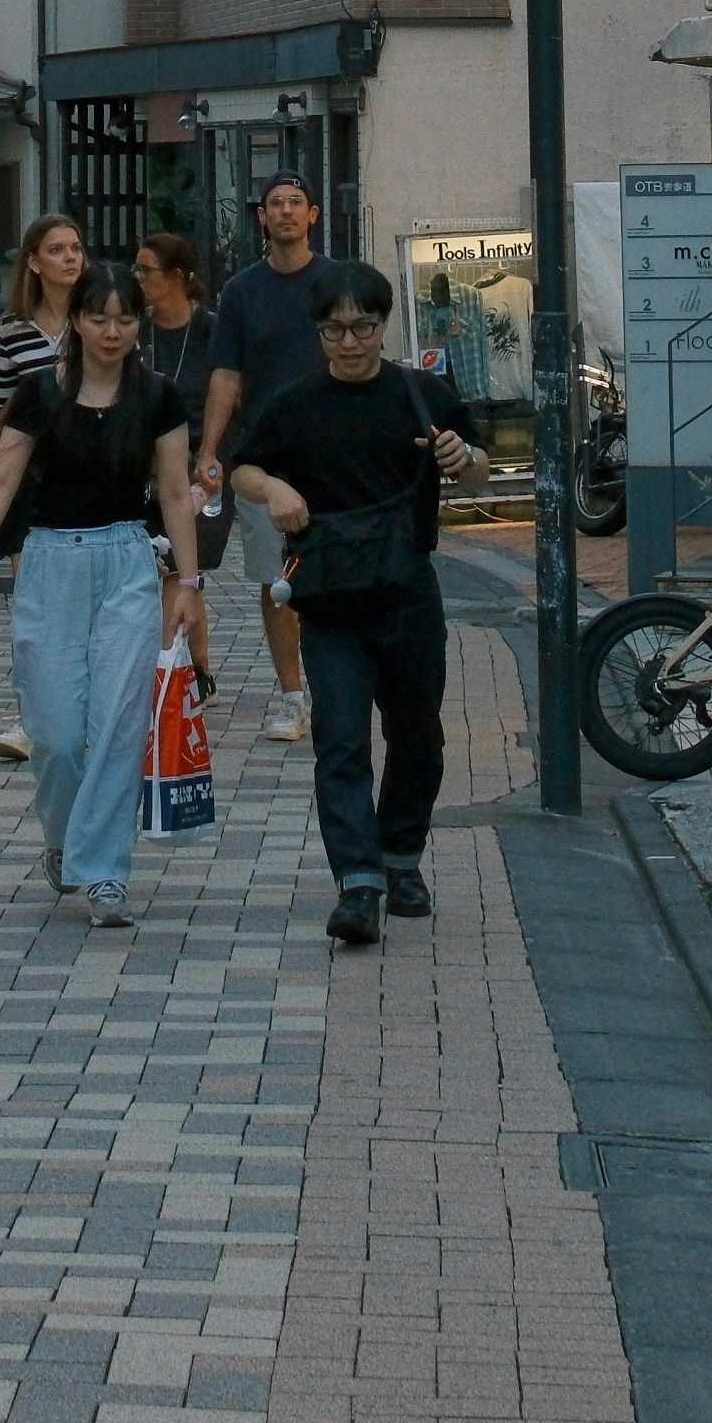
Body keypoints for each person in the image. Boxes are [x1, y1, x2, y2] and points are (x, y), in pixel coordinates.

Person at [224, 261, 476, 945]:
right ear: (318, 333)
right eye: (334, 329)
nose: (350, 341)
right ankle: (357, 883)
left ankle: (401, 858)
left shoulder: (424, 395)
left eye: (362, 326)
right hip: (330, 601)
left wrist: (462, 455)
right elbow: (243, 464)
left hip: (407, 593)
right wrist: (272, 490)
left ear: (382, 324)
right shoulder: (295, 404)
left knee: (418, 737)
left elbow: (474, 460)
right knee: (339, 743)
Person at [0, 254, 199, 931]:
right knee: (57, 735)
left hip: (126, 561)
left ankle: (106, 874)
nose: (112, 331)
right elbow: (2, 479)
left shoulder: (158, 398)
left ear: (137, 325)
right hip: (51, 562)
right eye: (99, 318)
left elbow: (175, 493)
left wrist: (189, 582)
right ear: (78, 323)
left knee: (117, 726)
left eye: (124, 319)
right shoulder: (41, 392)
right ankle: (65, 841)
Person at [199, 171, 342, 751]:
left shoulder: (336, 281)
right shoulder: (241, 292)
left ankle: (340, 689)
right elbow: (227, 374)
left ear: (312, 215)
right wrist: (209, 449)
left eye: (295, 203)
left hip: (334, 451)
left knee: (335, 574)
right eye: (274, 204)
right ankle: (291, 695)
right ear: (262, 216)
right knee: (276, 578)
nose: (284, 212)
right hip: (264, 457)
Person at [0, 217, 88, 759]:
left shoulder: (101, 319)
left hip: (92, 479)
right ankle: (31, 715)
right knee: (33, 603)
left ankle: (82, 709)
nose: (70, 258)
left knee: (86, 605)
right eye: (56, 249)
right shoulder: (12, 329)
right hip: (29, 478)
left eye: (75, 248)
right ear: (34, 261)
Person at [131, 228, 221, 691]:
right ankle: (194, 668)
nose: (138, 278)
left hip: (201, 465)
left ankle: (186, 670)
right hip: (143, 468)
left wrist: (208, 461)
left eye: (146, 270)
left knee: (181, 567)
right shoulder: (135, 328)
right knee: (169, 568)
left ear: (178, 277)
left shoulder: (211, 329)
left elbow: (227, 397)